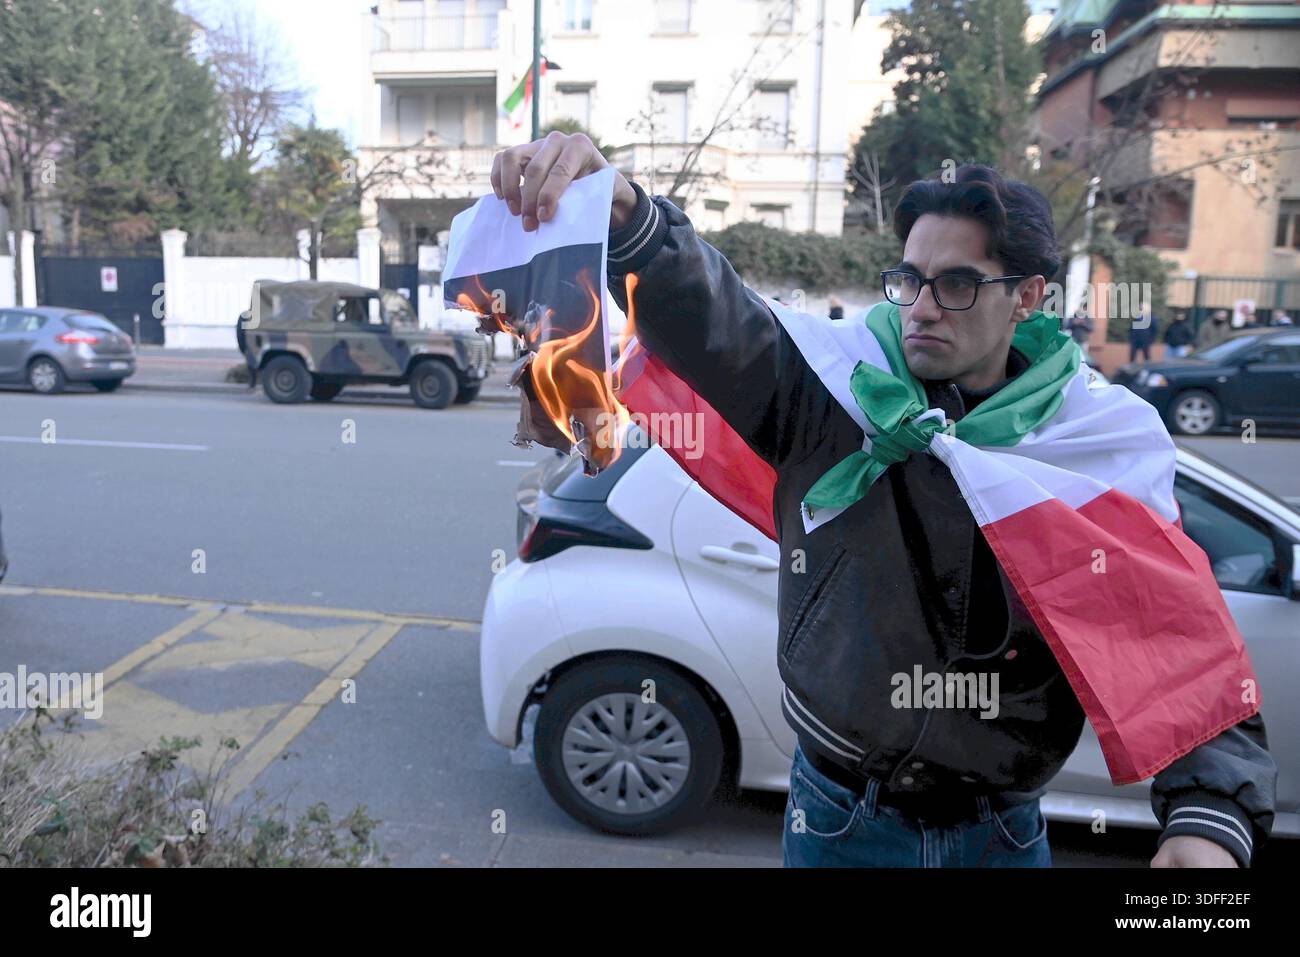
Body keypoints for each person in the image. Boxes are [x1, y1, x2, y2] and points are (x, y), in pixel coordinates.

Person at [490, 133, 1275, 868]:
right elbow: (718, 319)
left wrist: (1209, 811)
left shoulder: (1096, 442)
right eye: (910, 280)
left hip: (1003, 828)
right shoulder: (833, 385)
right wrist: (629, 213)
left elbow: (1169, 628)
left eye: (958, 283)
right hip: (839, 819)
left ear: (1029, 295)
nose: (922, 307)